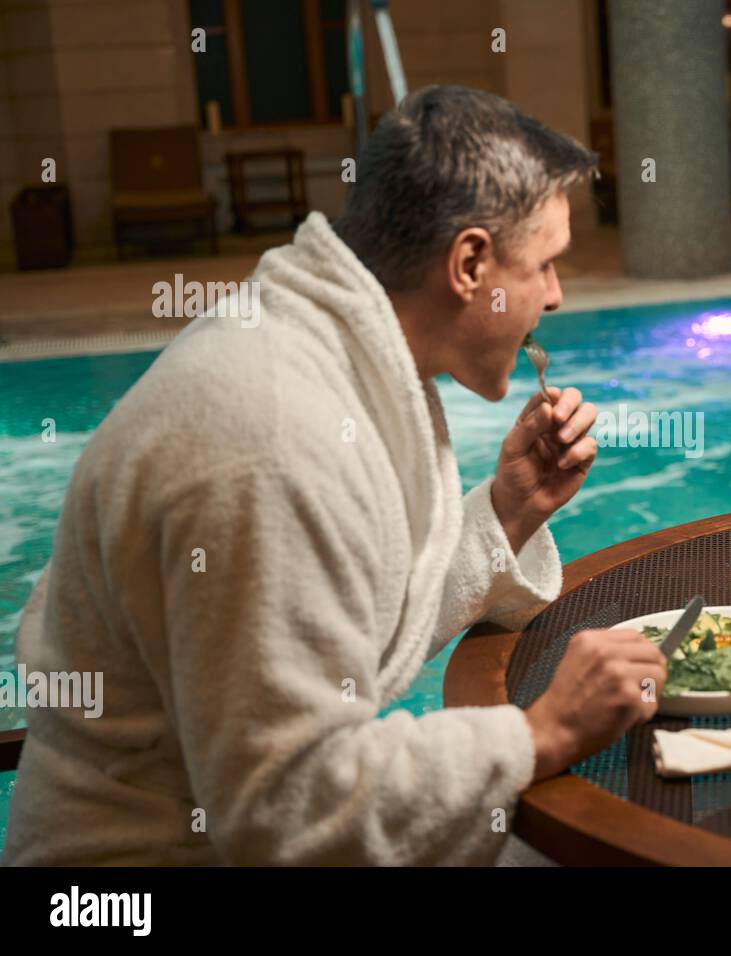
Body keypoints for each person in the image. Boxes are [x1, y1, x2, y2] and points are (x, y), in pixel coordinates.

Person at [2, 86, 666, 866]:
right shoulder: (270, 436)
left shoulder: (333, 352)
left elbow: (349, 622)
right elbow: (286, 809)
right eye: (546, 264)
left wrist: (507, 514)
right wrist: (540, 733)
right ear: (470, 263)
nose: (555, 295)